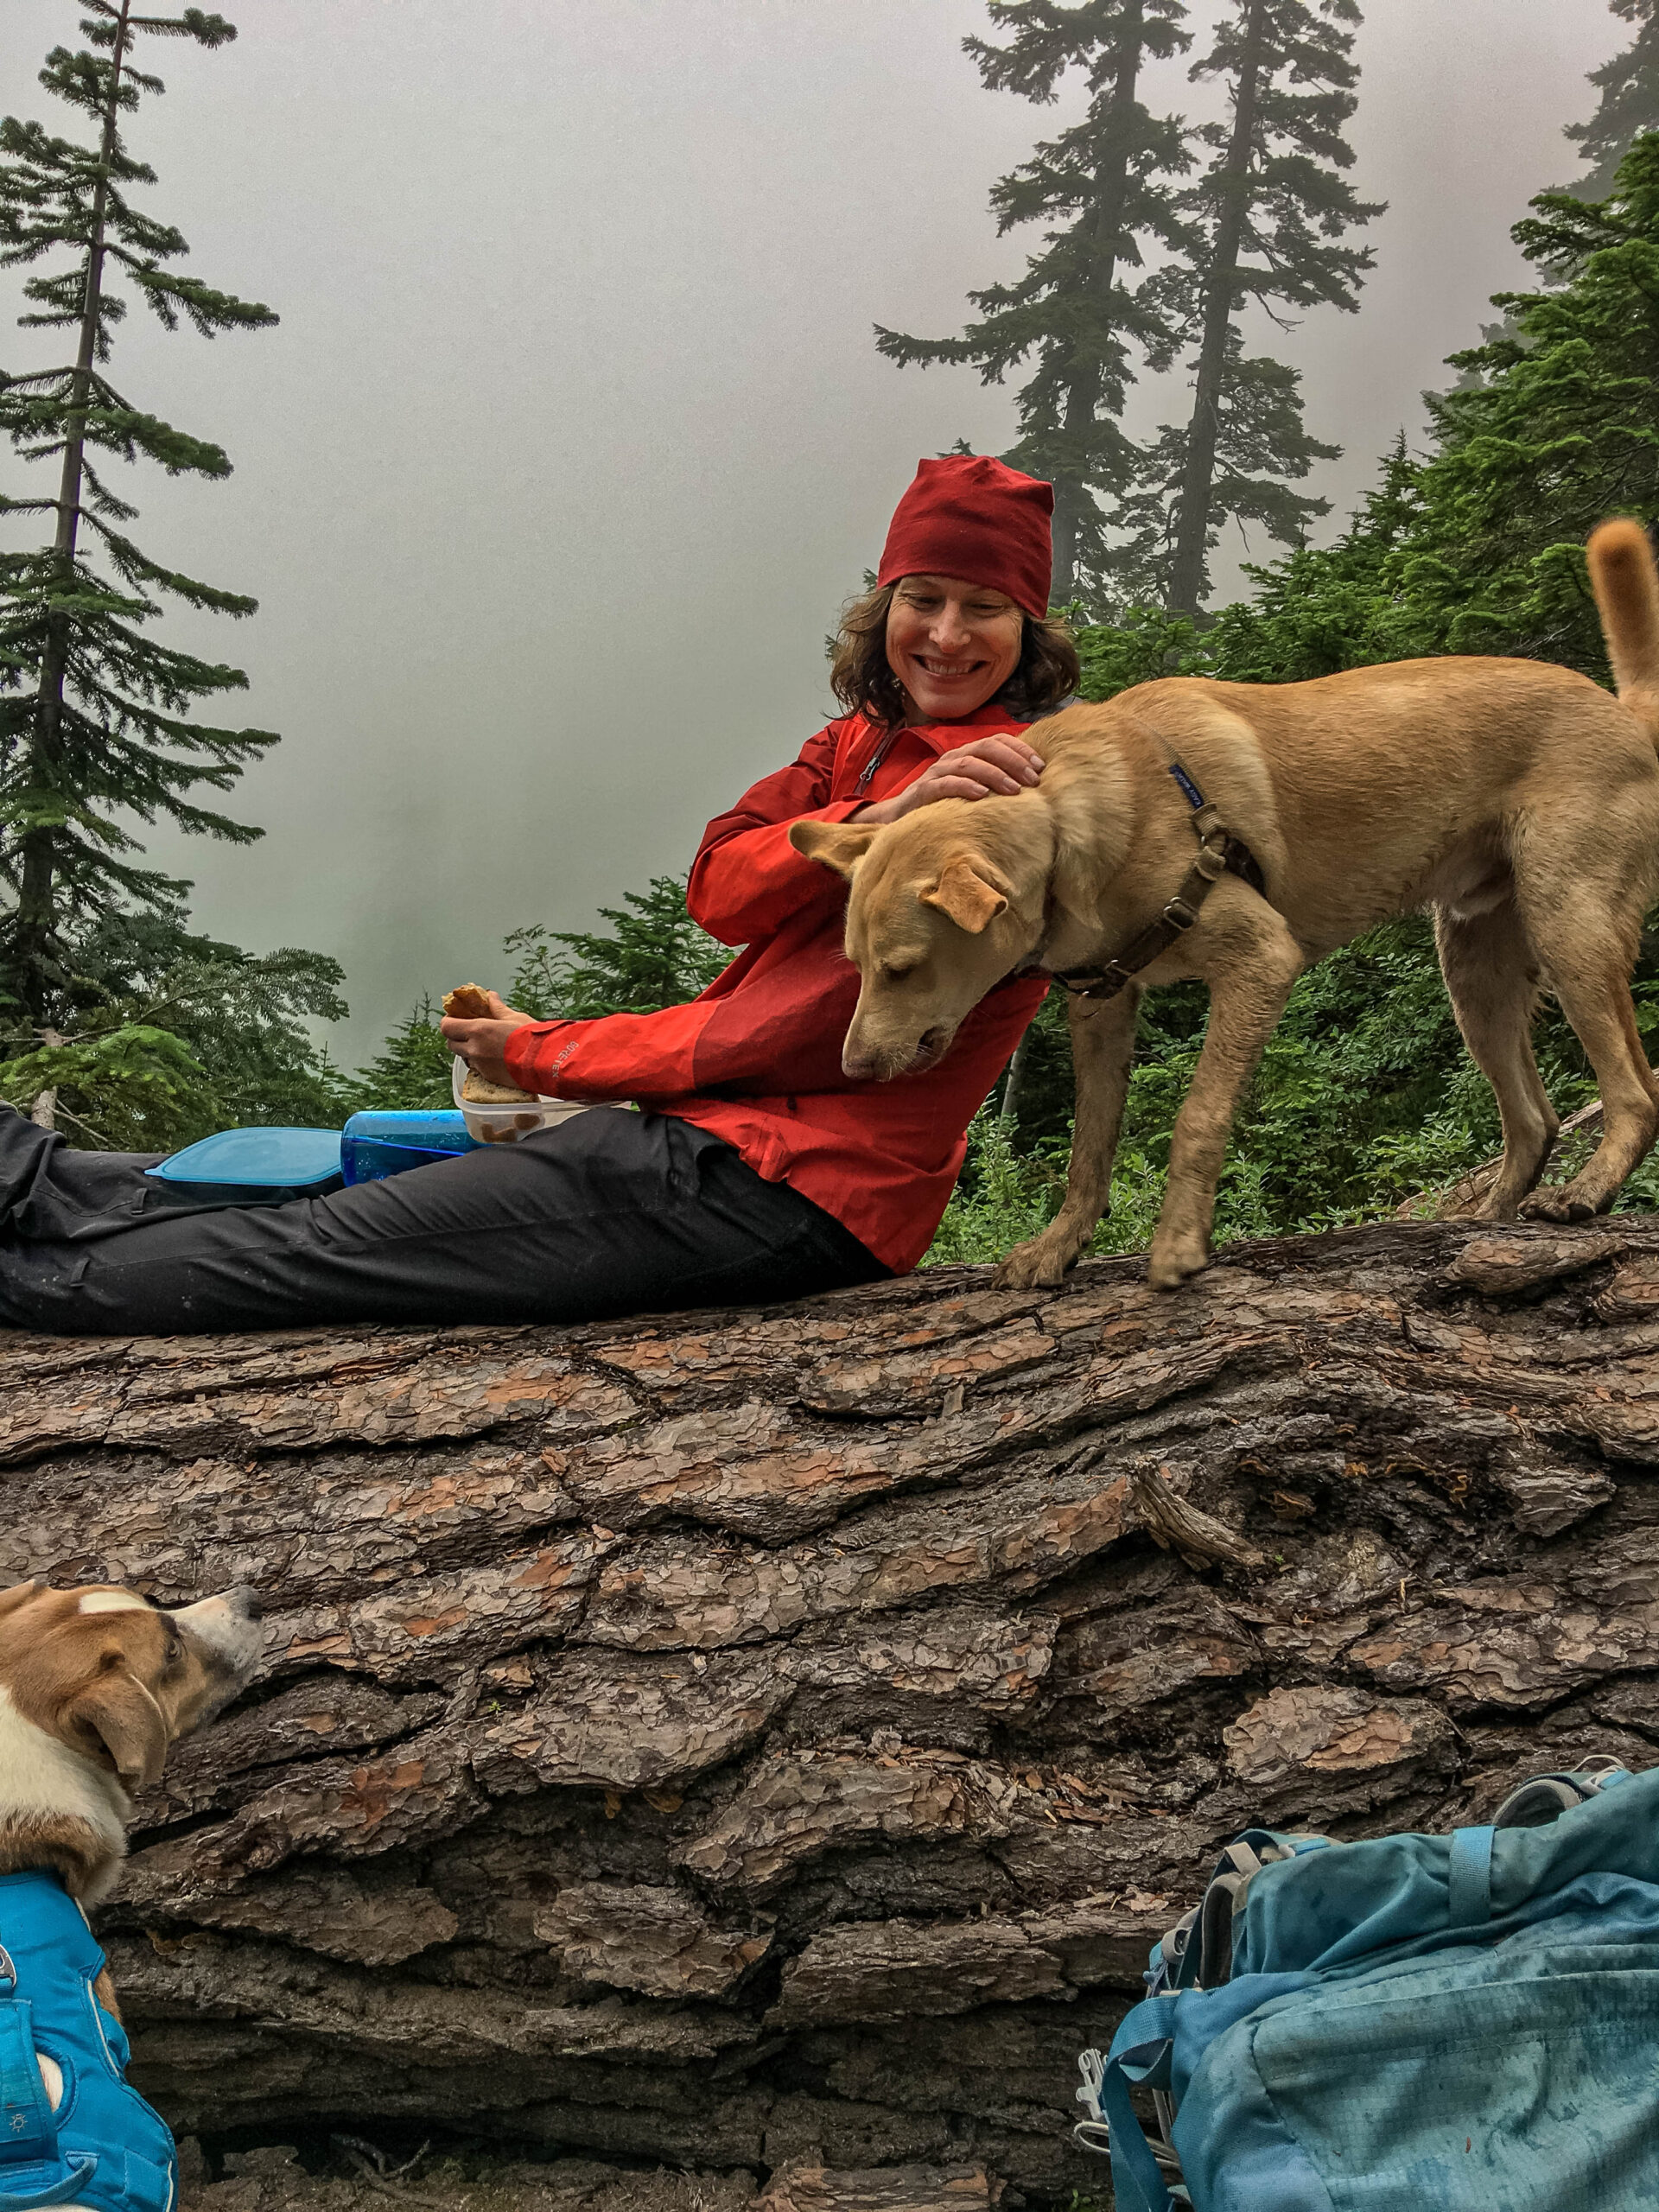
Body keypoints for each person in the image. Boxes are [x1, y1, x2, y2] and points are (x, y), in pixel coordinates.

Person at [0, 455, 1078, 1334]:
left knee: (321, 1244)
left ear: (1029, 632)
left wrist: (539, 1052)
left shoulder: (993, 806)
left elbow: (788, 1038)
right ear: (882, 607)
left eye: (983, 607)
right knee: (341, 1177)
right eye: (921, 598)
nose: (944, 634)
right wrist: (867, 825)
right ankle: (24, 1173)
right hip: (704, 1140)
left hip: (798, 1189)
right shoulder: (859, 747)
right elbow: (723, 887)